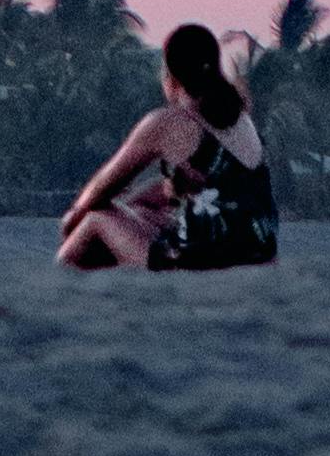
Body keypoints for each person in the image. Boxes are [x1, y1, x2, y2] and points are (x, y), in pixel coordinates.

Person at [60, 24, 280, 273]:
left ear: (170, 77)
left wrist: (71, 221)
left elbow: (100, 190)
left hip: (205, 258)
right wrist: (134, 212)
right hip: (259, 250)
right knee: (143, 211)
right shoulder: (240, 116)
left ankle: (56, 285)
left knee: (94, 219)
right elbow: (223, 190)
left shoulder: (166, 123)